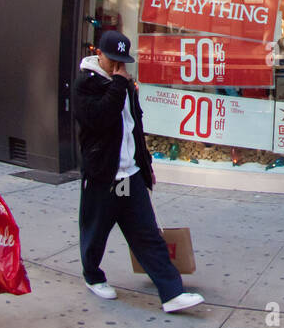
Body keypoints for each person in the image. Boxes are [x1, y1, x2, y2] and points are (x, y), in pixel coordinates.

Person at [74, 29, 205, 313]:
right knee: (95, 230)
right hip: (102, 176)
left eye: (123, 61)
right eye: (113, 60)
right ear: (99, 54)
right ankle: (92, 275)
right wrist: (119, 85)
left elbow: (135, 127)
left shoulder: (125, 85)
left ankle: (171, 292)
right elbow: (98, 118)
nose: (118, 66)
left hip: (130, 174)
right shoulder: (86, 84)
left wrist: (145, 164)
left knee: (146, 233)